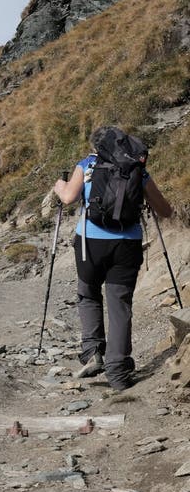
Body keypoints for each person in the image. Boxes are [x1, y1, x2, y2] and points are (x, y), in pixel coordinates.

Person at [53, 126, 172, 390]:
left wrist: (59, 185)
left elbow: (69, 197)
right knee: (119, 305)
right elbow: (165, 211)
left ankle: (93, 352)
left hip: (90, 243)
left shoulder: (87, 165)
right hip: (127, 244)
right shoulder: (135, 168)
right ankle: (118, 373)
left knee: (88, 293)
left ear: (95, 146)